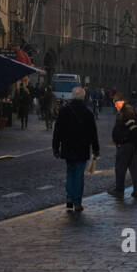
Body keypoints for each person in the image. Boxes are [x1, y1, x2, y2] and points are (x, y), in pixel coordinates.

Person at [52, 86, 100, 214]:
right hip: (82, 148)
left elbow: (57, 131)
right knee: (79, 175)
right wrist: (96, 149)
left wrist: (55, 147)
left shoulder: (64, 111)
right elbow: (93, 133)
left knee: (70, 173)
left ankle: (69, 197)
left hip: (68, 147)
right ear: (83, 97)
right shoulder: (88, 113)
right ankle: (77, 202)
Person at [108, 93, 137, 200]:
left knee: (120, 168)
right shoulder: (126, 111)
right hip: (131, 143)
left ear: (120, 101)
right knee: (134, 168)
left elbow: (133, 127)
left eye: (115, 103)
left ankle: (119, 190)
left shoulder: (127, 111)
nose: (115, 106)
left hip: (126, 144)